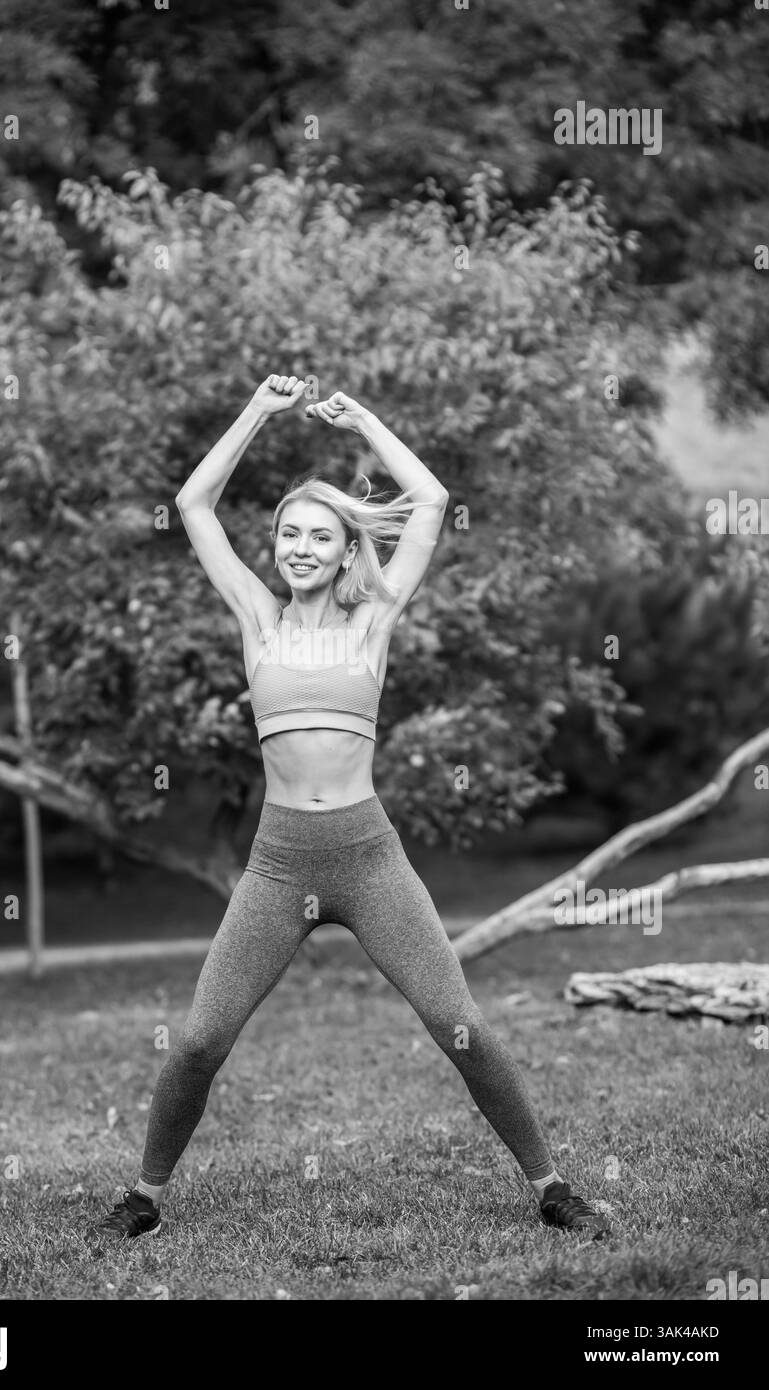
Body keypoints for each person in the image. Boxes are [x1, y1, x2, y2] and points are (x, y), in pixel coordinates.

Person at [93, 373, 609, 1241]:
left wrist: (363, 419)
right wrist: (259, 411)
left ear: (342, 553)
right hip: (278, 860)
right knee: (195, 1042)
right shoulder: (258, 619)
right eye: (288, 533)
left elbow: (433, 498)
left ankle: (551, 1186)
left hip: (368, 857)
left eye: (318, 536)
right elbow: (192, 503)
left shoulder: (374, 620)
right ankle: (144, 1197)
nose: (299, 547)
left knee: (459, 1026)